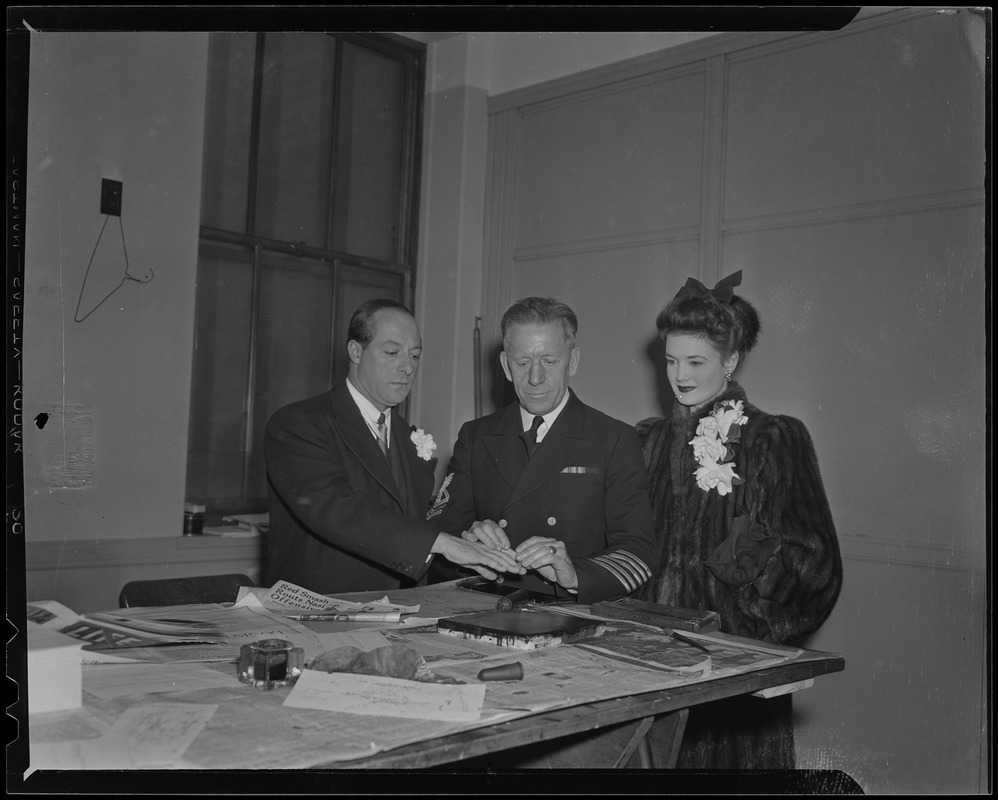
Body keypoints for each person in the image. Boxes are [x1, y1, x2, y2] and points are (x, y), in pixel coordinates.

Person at [635, 270, 843, 770]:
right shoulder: (646, 441)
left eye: (696, 362)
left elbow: (813, 565)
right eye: (671, 360)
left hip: (730, 690)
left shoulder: (771, 439)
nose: (680, 376)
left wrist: (737, 628)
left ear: (729, 362)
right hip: (645, 670)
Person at [264, 299, 524, 593]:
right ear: (356, 351)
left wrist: (470, 541)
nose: (407, 367)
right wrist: (444, 543)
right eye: (392, 352)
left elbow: (420, 537)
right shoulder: (299, 423)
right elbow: (339, 510)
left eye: (415, 355)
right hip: (317, 610)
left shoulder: (408, 437)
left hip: (400, 612)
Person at [428, 297, 658, 604]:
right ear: (505, 366)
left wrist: (574, 574)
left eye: (549, 361)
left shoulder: (614, 439)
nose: (535, 379)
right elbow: (436, 535)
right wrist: (468, 538)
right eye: (523, 363)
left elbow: (638, 551)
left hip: (571, 610)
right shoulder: (476, 435)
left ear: (572, 362)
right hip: (487, 605)